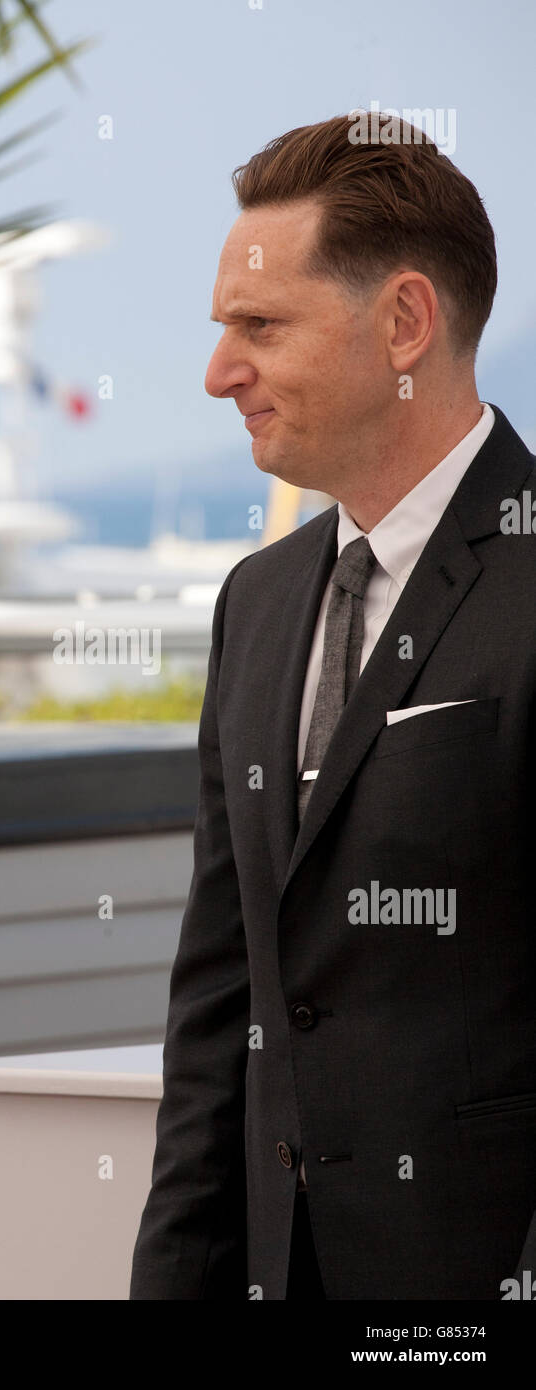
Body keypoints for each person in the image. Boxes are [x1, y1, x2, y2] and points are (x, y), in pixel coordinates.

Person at [129, 113, 536, 1301]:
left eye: (259, 326)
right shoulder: (255, 605)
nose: (219, 372)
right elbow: (221, 1001)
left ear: (405, 322)